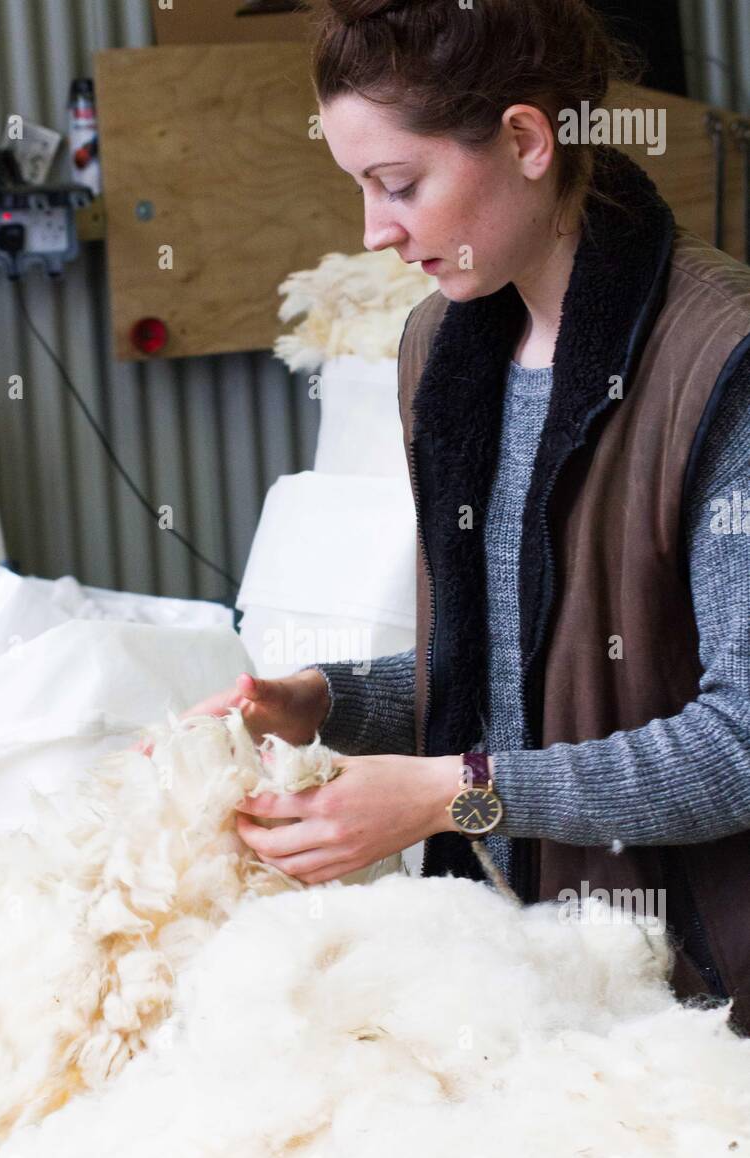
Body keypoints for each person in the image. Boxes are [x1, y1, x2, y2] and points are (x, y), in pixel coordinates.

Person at [172, 0, 750, 1030]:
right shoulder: (446, 356)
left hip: (697, 1000)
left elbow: (738, 744)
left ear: (526, 141)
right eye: (359, 188)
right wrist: (321, 700)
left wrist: (454, 793)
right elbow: (523, 681)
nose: (372, 230)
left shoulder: (719, 366)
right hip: (516, 973)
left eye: (398, 185)